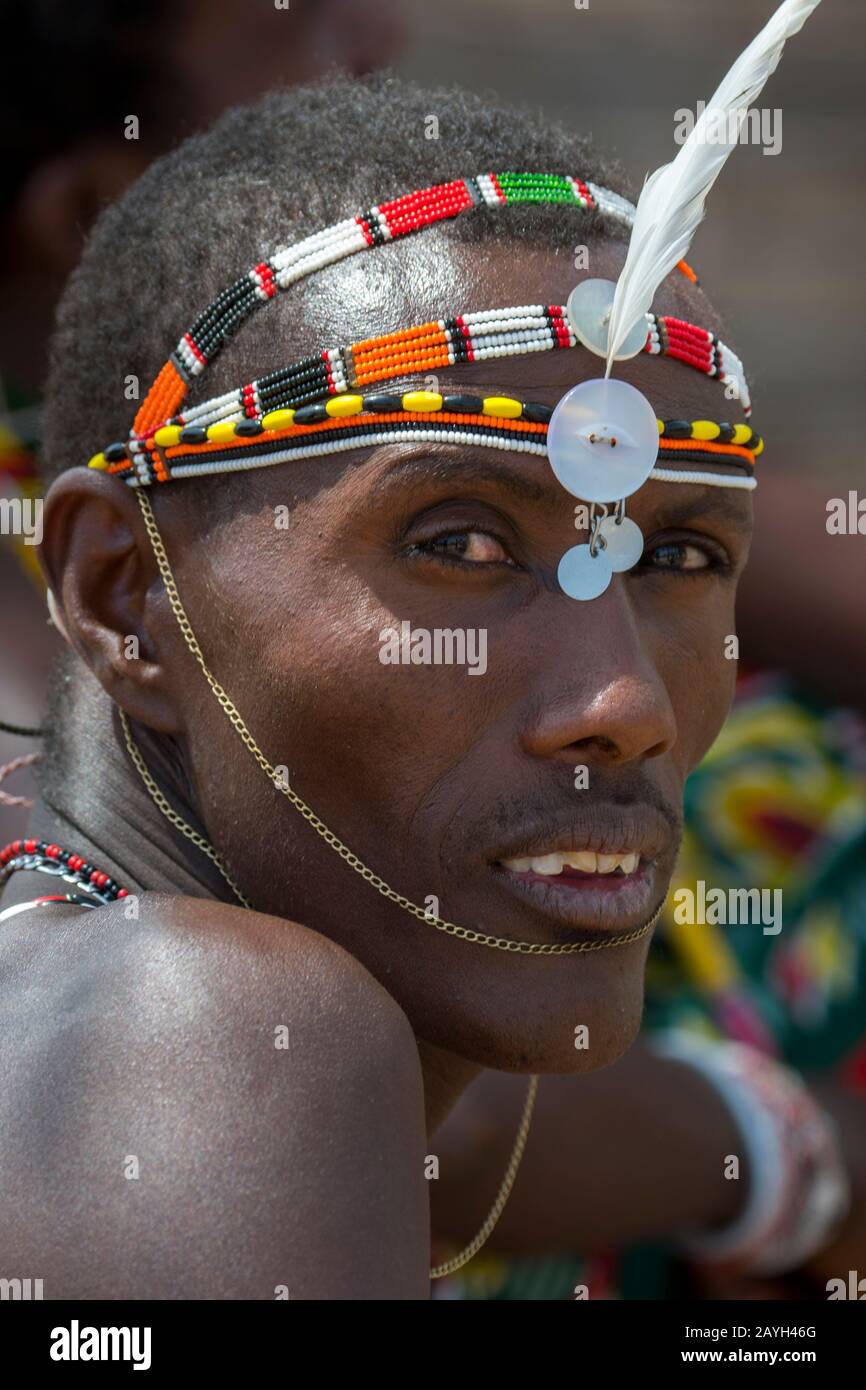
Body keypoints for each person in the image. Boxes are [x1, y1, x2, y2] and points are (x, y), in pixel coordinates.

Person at [0, 71, 840, 1299]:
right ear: (126, 592)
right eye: (457, 544)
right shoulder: (209, 1027)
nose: (625, 703)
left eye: (677, 556)